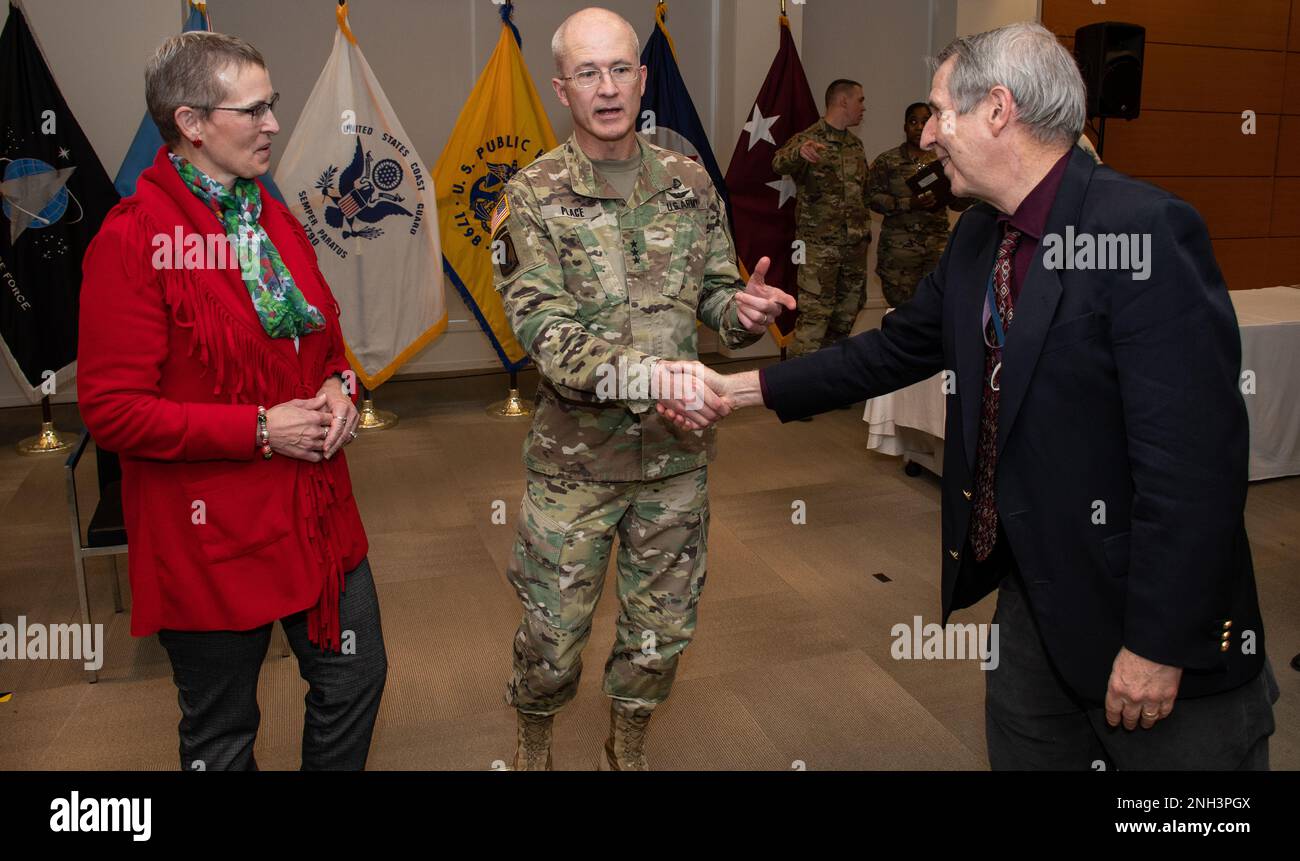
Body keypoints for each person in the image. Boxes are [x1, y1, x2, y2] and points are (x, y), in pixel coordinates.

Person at [660, 22, 1277, 770]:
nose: (925, 138)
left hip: (1143, 623)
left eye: (938, 112)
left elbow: (1195, 468)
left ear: (997, 110)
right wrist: (740, 387)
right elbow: (890, 349)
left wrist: (1157, 642)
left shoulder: (1143, 232)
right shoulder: (982, 235)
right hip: (1034, 605)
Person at [490, 7, 792, 771]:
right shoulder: (530, 197)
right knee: (552, 639)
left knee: (659, 633)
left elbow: (719, 297)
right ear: (562, 88)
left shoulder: (689, 182)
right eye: (588, 72)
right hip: (575, 466)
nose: (608, 86)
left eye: (621, 68)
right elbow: (551, 341)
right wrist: (655, 376)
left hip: (674, 463)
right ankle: (533, 734)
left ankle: (626, 745)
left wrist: (745, 312)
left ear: (643, 77)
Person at [78, 32, 387, 770]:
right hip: (210, 530)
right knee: (221, 732)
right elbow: (113, 410)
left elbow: (324, 348)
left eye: (271, 105)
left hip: (314, 512)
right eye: (254, 110)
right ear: (190, 123)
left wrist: (340, 389)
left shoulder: (270, 220)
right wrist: (258, 428)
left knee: (355, 674)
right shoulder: (134, 240)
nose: (273, 124)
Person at [771, 79, 870, 357]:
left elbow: (864, 192)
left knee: (845, 318)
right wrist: (798, 154)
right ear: (843, 101)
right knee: (815, 319)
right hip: (819, 250)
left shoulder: (855, 145)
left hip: (854, 249)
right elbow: (778, 163)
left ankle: (827, 382)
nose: (864, 107)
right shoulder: (809, 138)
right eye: (860, 100)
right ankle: (796, 391)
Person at [868, 102, 972, 308]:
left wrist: (956, 191)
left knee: (938, 310)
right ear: (905, 127)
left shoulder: (945, 158)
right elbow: (870, 198)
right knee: (902, 312)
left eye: (924, 121)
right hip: (899, 254)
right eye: (913, 121)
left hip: (937, 248)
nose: (918, 126)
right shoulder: (887, 161)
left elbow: (960, 205)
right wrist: (909, 203)